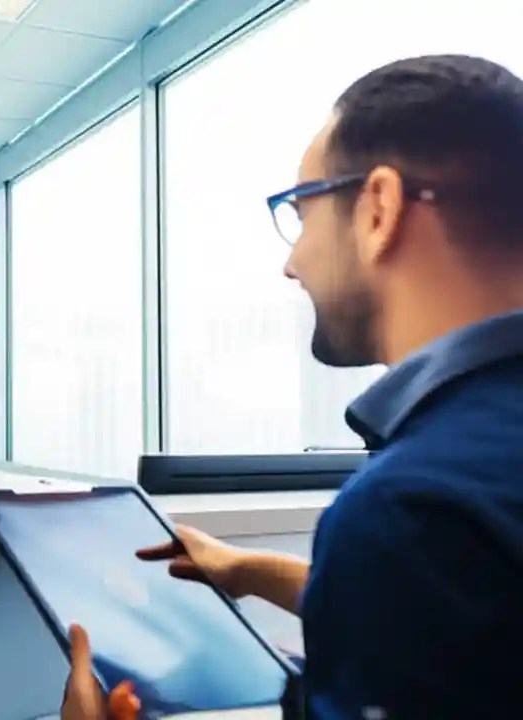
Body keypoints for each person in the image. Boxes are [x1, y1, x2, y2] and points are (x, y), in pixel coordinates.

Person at [63, 54, 523, 719]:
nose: (291, 263)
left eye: (301, 214)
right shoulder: (455, 507)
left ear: (378, 210)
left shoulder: (410, 510)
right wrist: (247, 570)